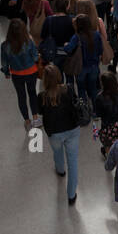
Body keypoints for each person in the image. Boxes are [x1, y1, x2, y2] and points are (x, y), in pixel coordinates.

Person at [37, 64, 81, 204]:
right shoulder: (68, 89)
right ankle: (71, 195)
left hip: (54, 132)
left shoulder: (42, 96)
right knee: (73, 162)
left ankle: (60, 170)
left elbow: (40, 112)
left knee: (57, 152)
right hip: (72, 129)